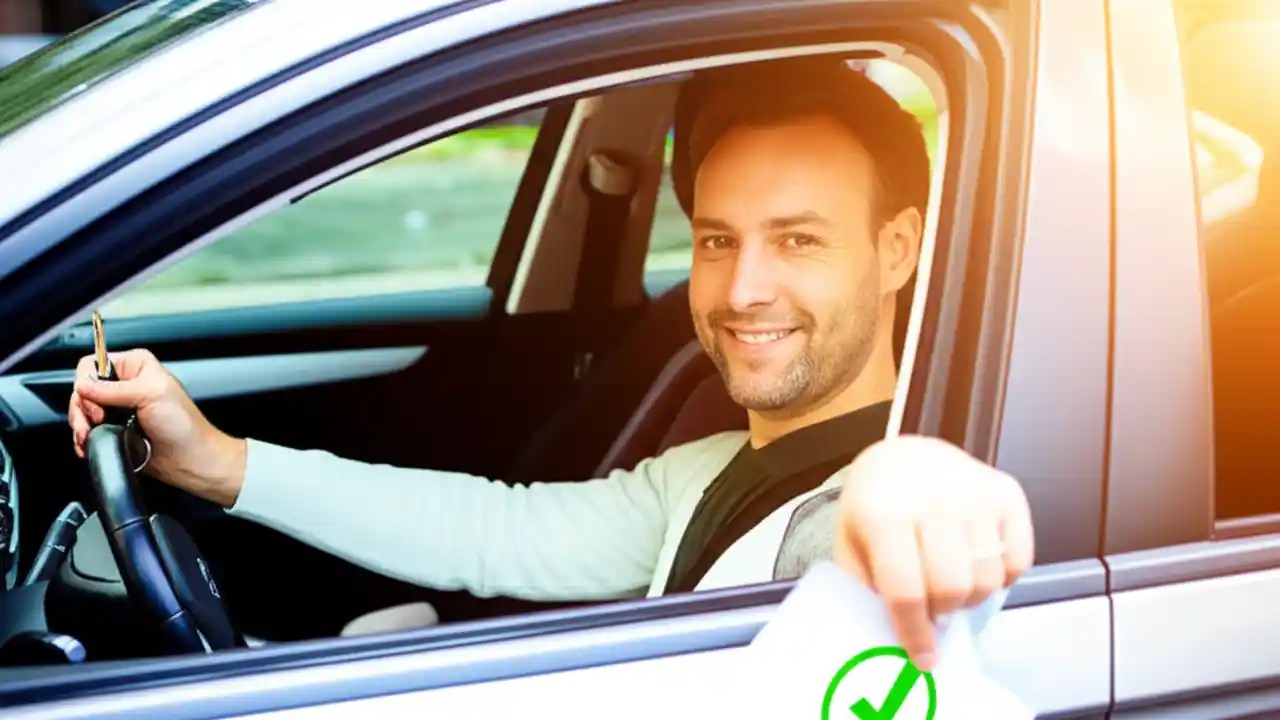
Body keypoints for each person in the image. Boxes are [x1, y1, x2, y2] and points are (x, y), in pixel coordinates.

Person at [67, 57, 1033, 671]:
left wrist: (921, 467)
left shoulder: (898, 495)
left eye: (800, 241)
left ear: (899, 250)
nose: (744, 290)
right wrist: (221, 462)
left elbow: (942, 528)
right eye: (715, 240)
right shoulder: (700, 476)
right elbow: (490, 529)